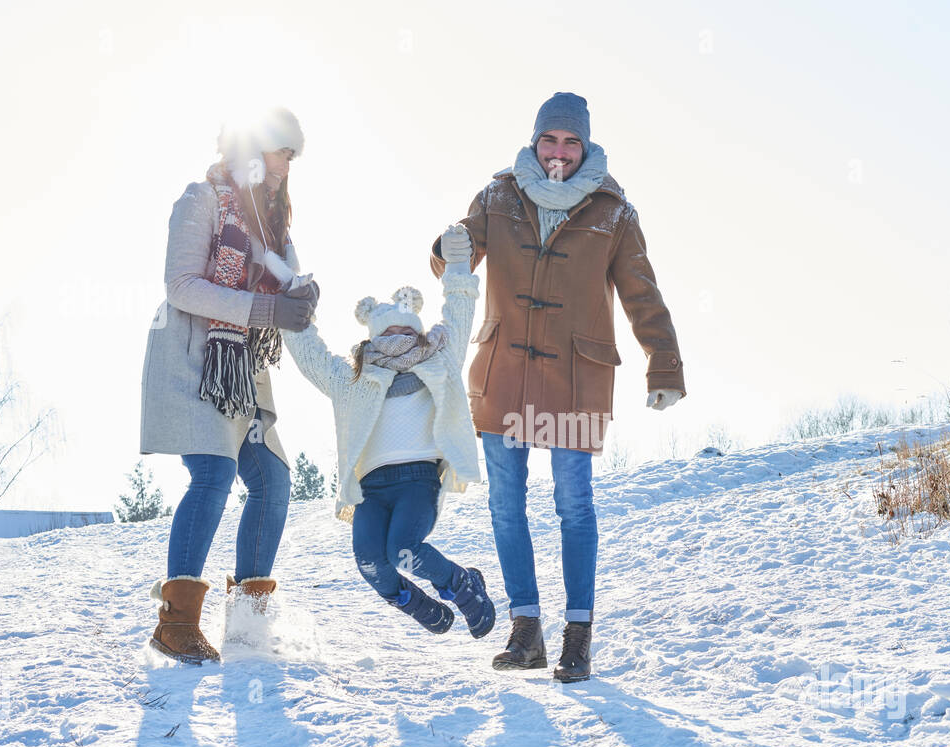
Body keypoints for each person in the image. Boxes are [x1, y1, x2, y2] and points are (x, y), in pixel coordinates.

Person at [429, 92, 687, 682]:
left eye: (572, 142)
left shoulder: (614, 213)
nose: (559, 153)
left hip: (574, 377)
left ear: (587, 146)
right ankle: (526, 631)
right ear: (534, 141)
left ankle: (577, 634)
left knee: (574, 505)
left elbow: (641, 294)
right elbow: (457, 255)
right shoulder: (497, 195)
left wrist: (664, 365)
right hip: (504, 374)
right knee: (505, 505)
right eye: (550, 140)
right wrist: (446, 250)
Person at [139, 106, 320, 664]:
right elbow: (181, 285)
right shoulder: (201, 199)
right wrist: (266, 307)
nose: (288, 165)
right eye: (281, 151)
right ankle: (177, 624)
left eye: (293, 155)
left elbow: (288, 283)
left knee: (272, 479)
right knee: (214, 471)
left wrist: (305, 298)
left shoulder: (273, 220)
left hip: (244, 365)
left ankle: (247, 624)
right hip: (195, 358)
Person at [281, 225, 495, 638]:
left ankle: (461, 584)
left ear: (417, 331)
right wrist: (291, 305)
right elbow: (311, 355)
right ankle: (416, 604)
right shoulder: (353, 378)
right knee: (369, 561)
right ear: (373, 337)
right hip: (371, 490)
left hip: (417, 482)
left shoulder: (436, 359)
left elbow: (459, 312)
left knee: (404, 551)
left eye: (406, 331)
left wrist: (456, 266)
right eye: (388, 333)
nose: (399, 338)